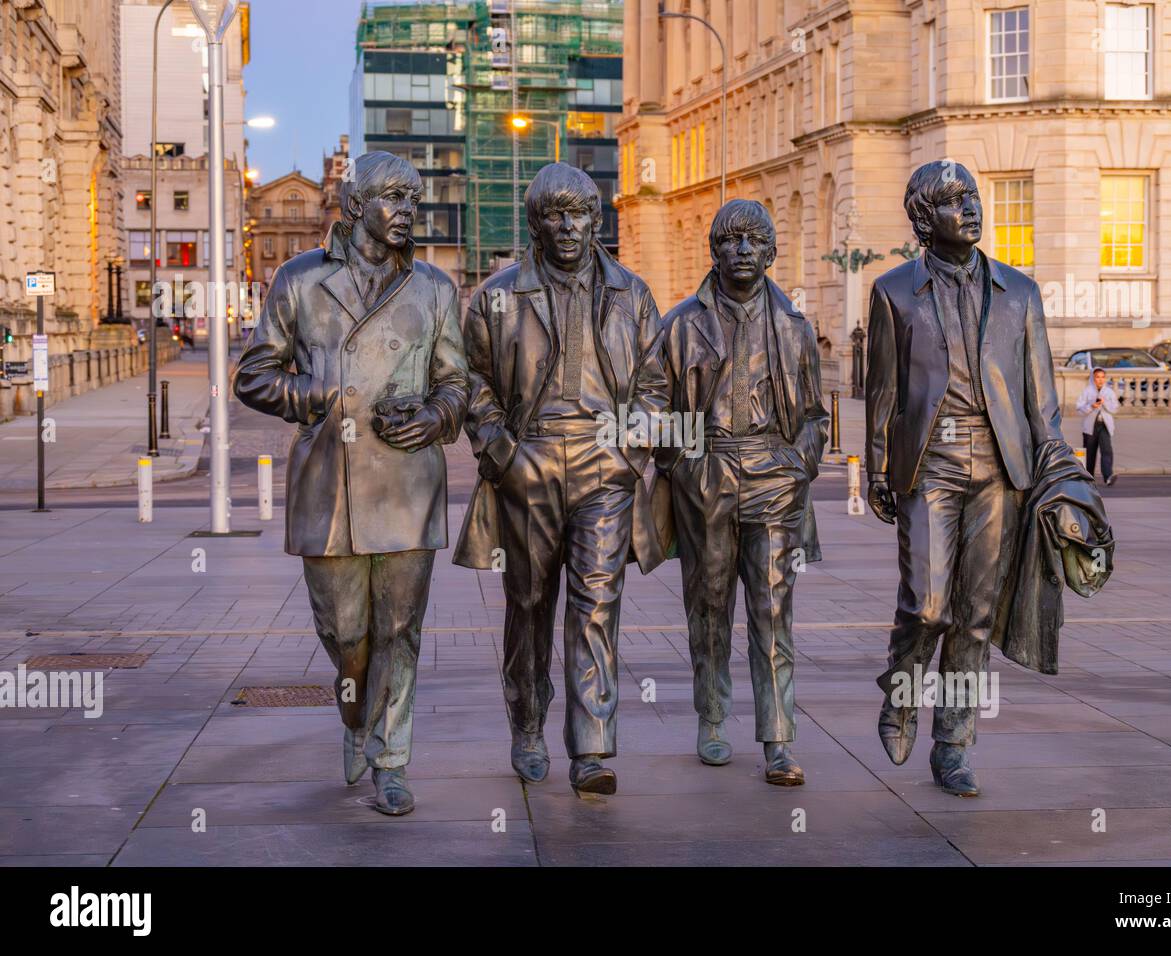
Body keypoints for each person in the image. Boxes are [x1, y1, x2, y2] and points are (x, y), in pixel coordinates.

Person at [235, 151, 469, 816]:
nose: (407, 212)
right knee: (345, 635)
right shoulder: (300, 281)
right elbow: (252, 374)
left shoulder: (433, 288)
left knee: (400, 629)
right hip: (327, 486)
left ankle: (391, 759)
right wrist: (311, 395)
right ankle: (354, 719)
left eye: (414, 200)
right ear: (354, 203)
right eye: (394, 198)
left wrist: (433, 415)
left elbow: (458, 382)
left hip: (406, 483)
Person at [454, 163, 669, 796]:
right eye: (553, 214)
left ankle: (593, 748)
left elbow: (656, 384)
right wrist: (503, 453)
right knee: (528, 602)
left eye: (578, 213)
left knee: (597, 602)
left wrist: (632, 450)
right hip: (532, 460)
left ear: (597, 220)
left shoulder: (632, 293)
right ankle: (526, 721)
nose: (567, 226)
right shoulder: (497, 296)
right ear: (535, 222)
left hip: (606, 465)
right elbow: (471, 382)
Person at [865, 160, 1067, 797]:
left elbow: (1043, 403)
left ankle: (953, 744)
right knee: (926, 605)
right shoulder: (894, 291)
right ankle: (901, 695)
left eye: (972, 197)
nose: (971, 209)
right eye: (953, 201)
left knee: (976, 615)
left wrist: (1060, 474)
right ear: (924, 219)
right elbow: (883, 393)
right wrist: (876, 468)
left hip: (1000, 469)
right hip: (929, 465)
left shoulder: (1021, 293)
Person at [653, 200, 829, 786]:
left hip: (773, 478)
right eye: (730, 240)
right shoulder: (681, 324)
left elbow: (814, 415)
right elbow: (651, 403)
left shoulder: (795, 327)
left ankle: (778, 737)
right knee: (708, 607)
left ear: (771, 251)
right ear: (715, 251)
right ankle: (711, 717)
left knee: (773, 610)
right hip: (708, 473)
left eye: (754, 240)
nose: (743, 250)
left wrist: (798, 464)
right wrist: (683, 460)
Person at [1076, 367, 1118, 485]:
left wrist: (1105, 403)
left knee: (1107, 450)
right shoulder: (1087, 391)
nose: (1100, 380)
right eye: (1097, 377)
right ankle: (1088, 478)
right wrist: (1091, 406)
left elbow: (1115, 409)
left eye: (1102, 377)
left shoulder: (1109, 392)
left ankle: (1108, 476)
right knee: (1090, 452)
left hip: (1104, 425)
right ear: (1093, 378)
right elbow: (1079, 410)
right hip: (1090, 426)